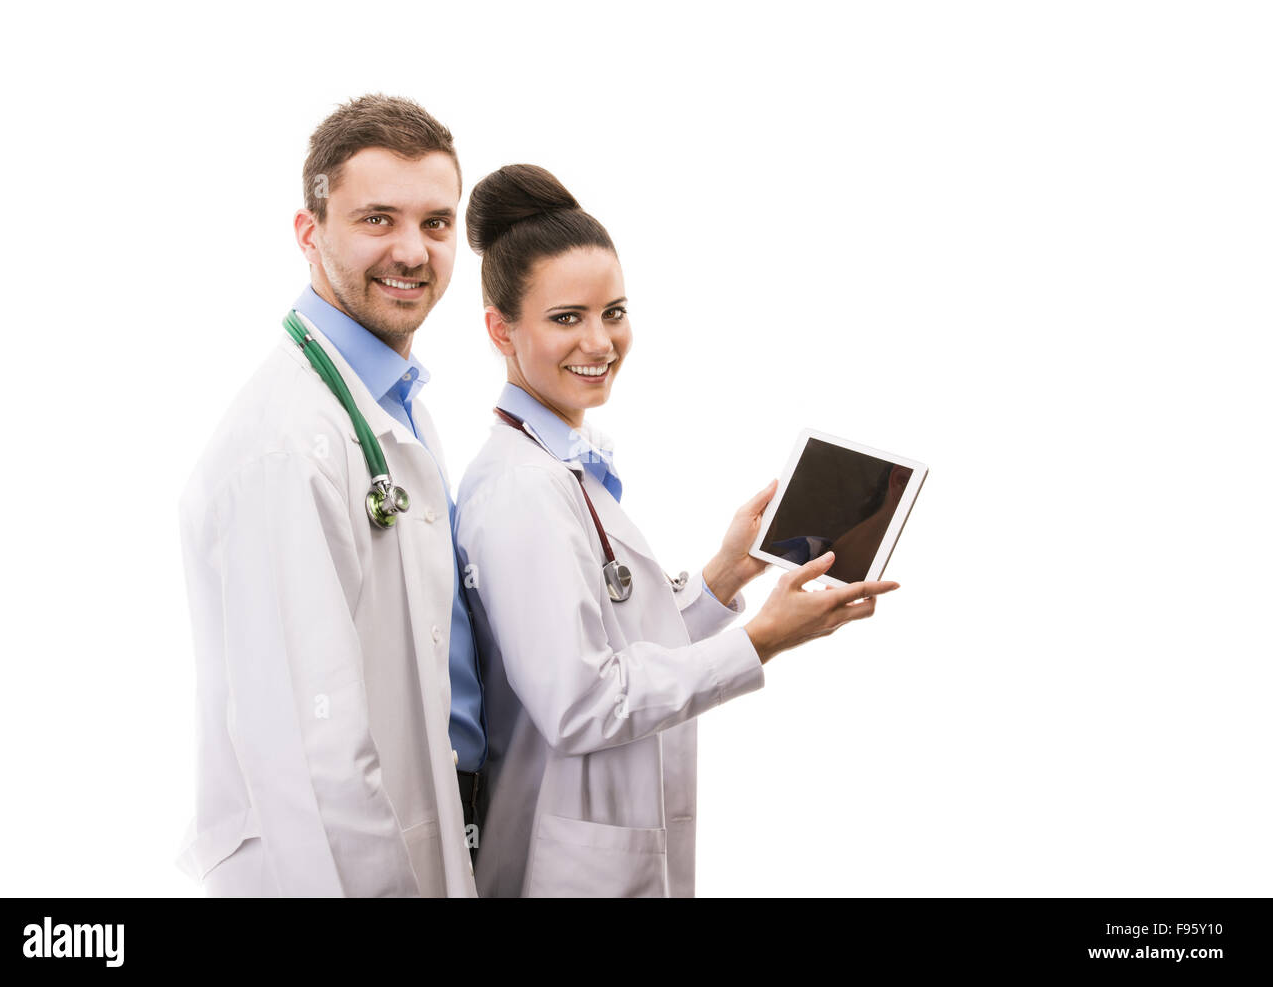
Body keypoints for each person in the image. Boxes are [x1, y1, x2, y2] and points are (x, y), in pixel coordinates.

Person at [453, 164, 901, 897]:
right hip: (558, 865)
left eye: (614, 310)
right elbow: (583, 702)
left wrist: (728, 572)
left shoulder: (560, 469)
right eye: (567, 317)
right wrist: (760, 639)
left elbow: (625, 647)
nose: (600, 341)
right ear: (501, 329)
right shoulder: (518, 491)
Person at [175, 95, 485, 897]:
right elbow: (315, 759)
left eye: (437, 222)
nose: (413, 251)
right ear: (310, 233)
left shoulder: (392, 402)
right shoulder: (288, 442)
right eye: (377, 219)